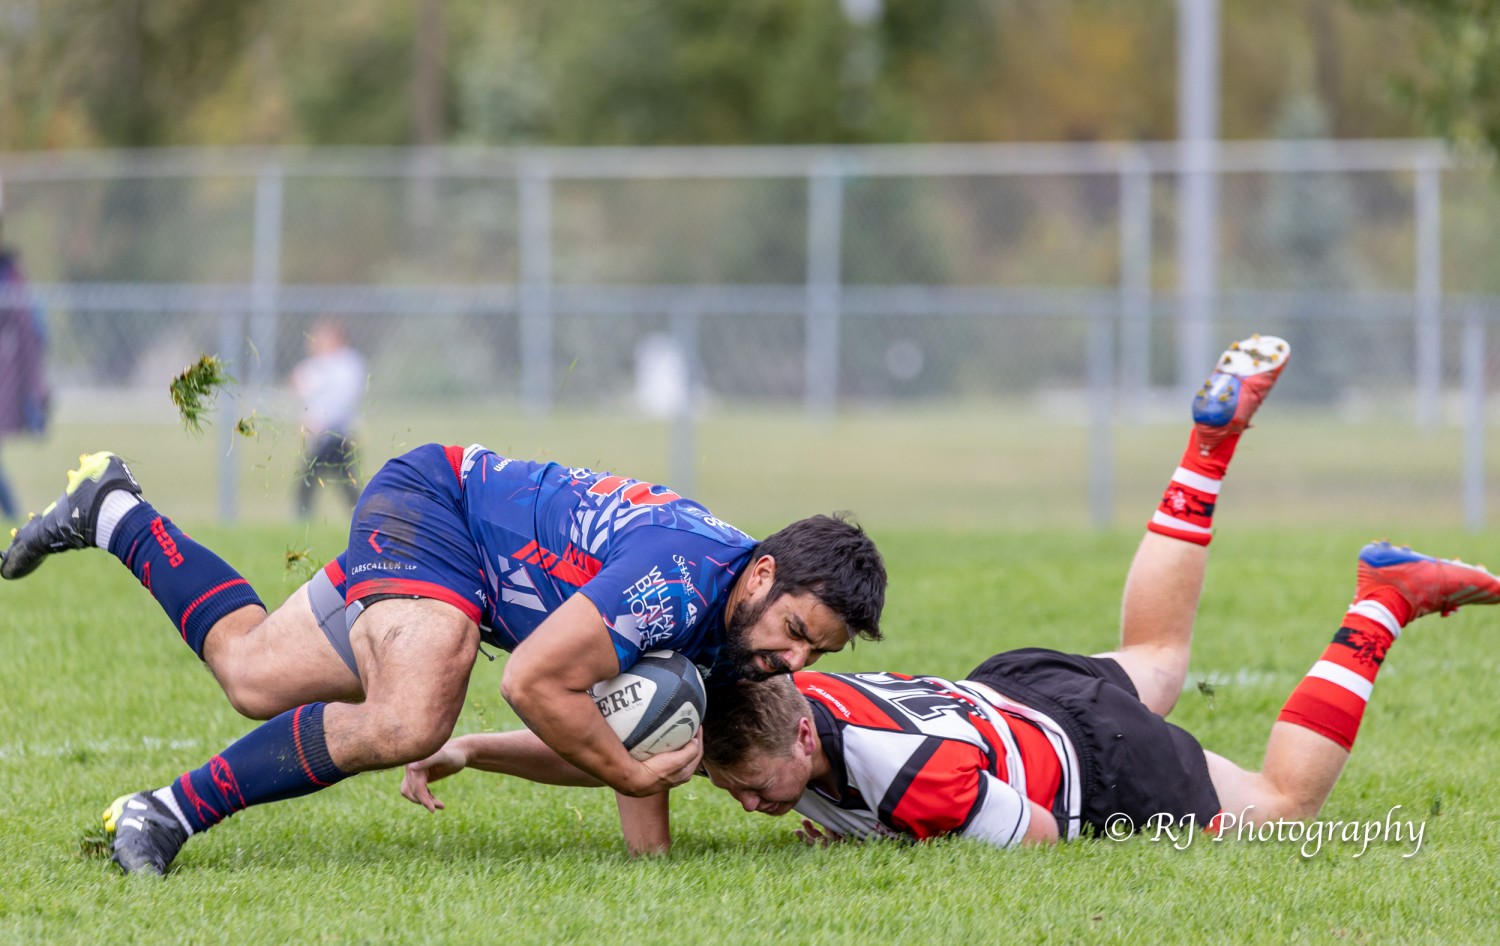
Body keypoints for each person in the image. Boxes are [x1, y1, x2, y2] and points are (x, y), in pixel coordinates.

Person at [404, 334, 1499, 851]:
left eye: (749, 792)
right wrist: (471, 749)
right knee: (1157, 658)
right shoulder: (774, 699)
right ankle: (1205, 452)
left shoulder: (898, 774)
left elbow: (1028, 839)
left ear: (792, 747)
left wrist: (884, 838)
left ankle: (1380, 603)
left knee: (1280, 811)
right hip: (1011, 688)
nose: (744, 804)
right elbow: (638, 747)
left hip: (1073, 762)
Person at [1, 443, 886, 875]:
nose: (797, 660)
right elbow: (535, 683)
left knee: (250, 676)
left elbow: (617, 734)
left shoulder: (734, 631)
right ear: (764, 574)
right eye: (800, 630)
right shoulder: (681, 581)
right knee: (409, 719)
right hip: (442, 514)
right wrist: (634, 769)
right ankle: (162, 815)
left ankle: (113, 510)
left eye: (817, 651)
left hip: (453, 552)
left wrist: (649, 855)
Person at [0, 191, 50, 521]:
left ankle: (16, 517)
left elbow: (32, 336)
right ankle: (16, 517)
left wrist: (36, 390)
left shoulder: (11, 274)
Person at [289, 321, 365, 518]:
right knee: (332, 479)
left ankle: (303, 513)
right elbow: (302, 384)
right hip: (319, 434)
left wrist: (323, 420)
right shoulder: (318, 364)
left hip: (337, 433)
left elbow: (344, 400)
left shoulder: (348, 364)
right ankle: (303, 513)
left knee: (325, 478)